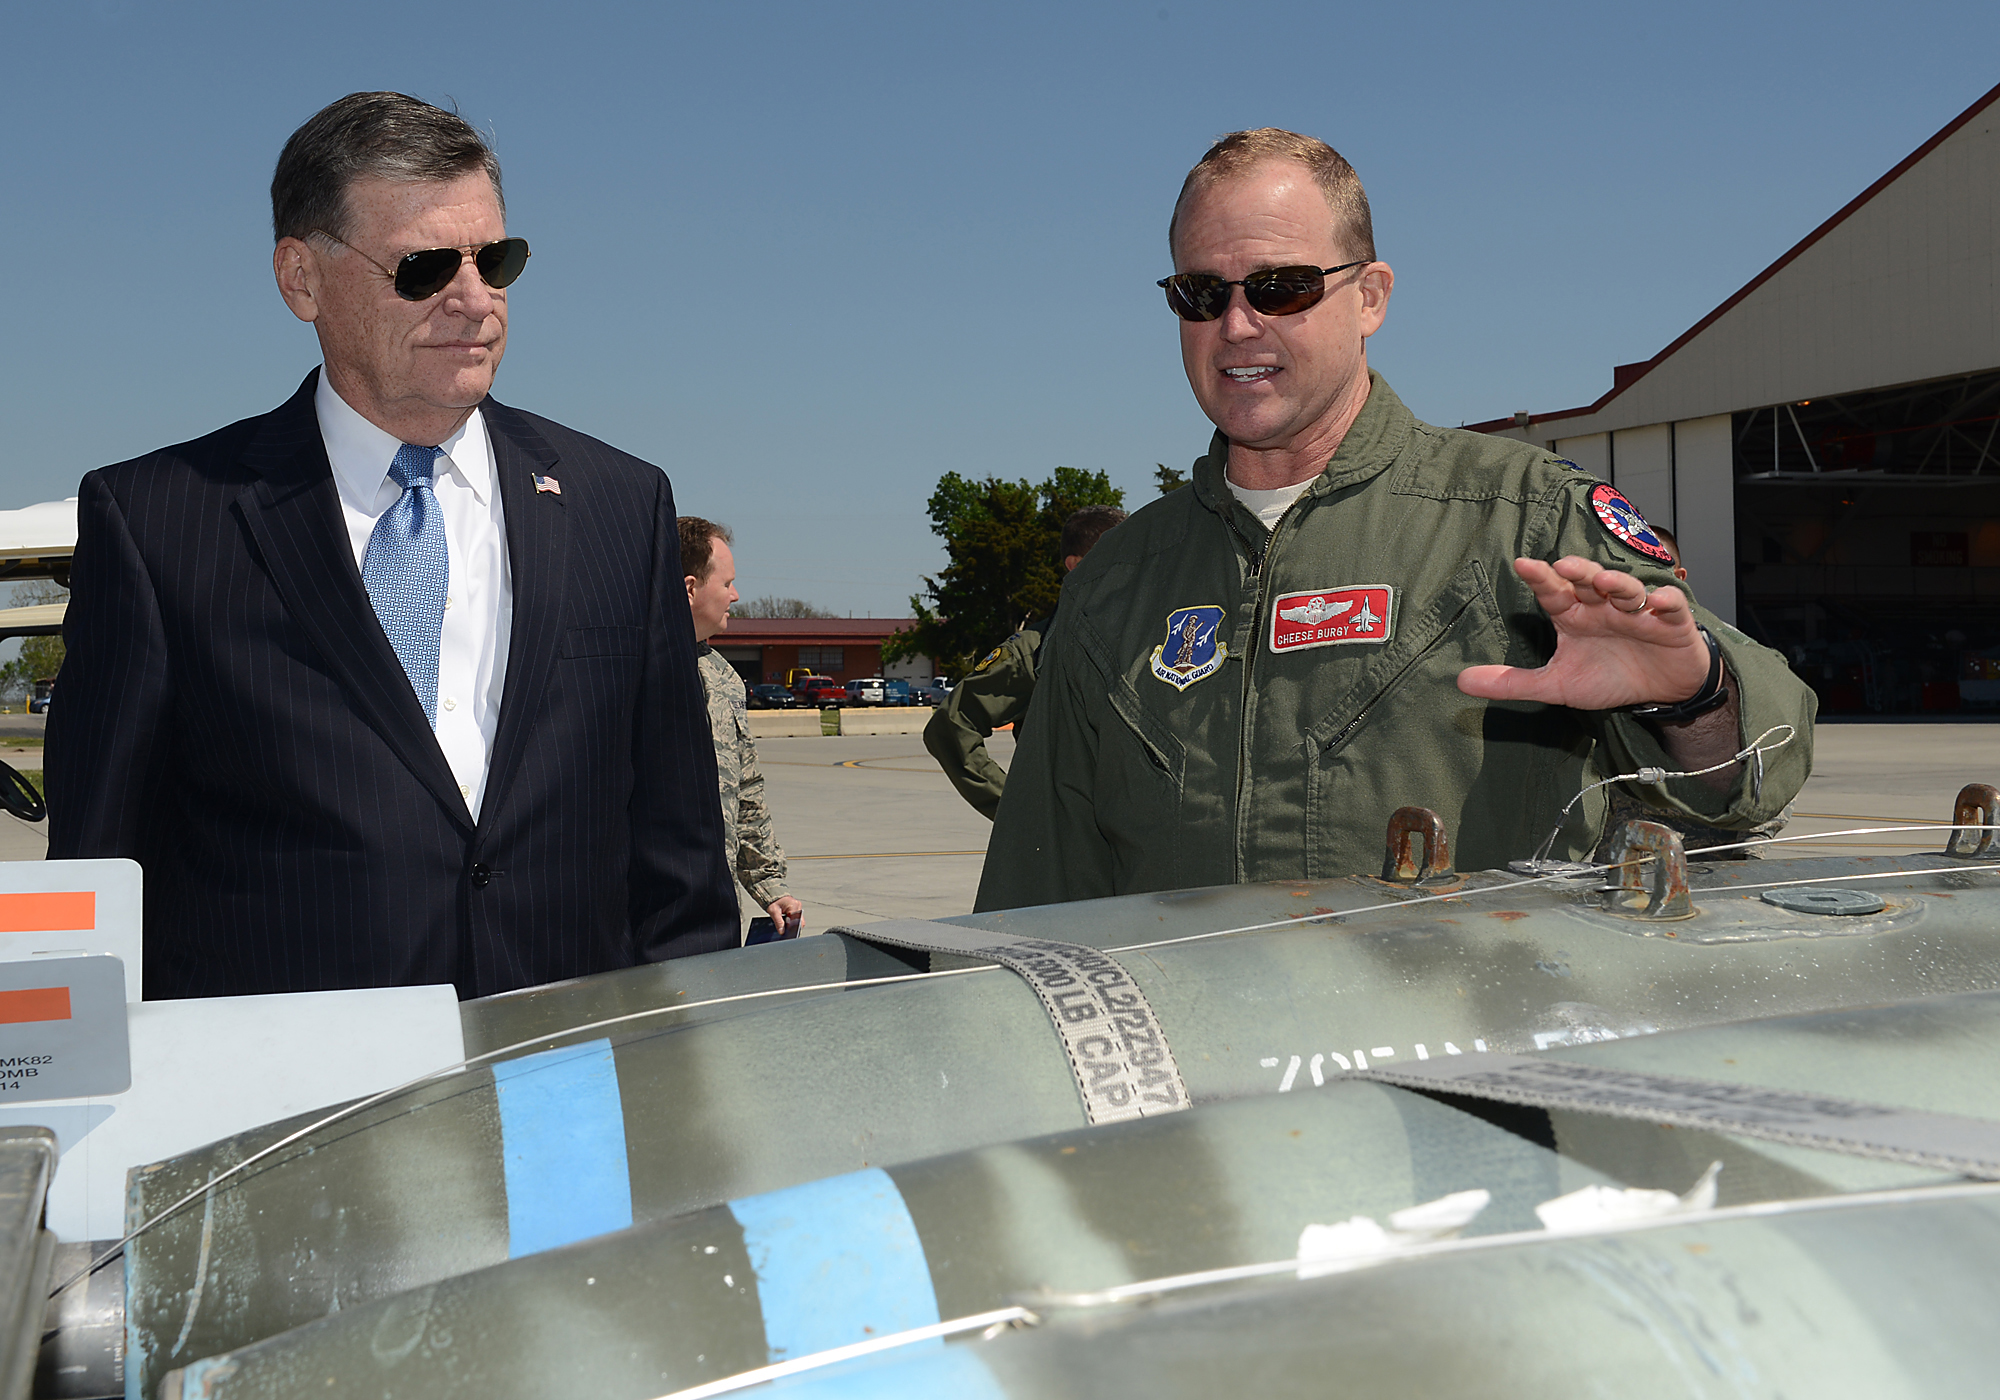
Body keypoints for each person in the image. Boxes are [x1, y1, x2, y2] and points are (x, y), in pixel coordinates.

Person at [976, 129, 1816, 909]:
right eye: (1200, 293)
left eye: (1282, 286)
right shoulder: (1118, 584)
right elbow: (1039, 892)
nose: (1236, 324)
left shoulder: (1523, 520)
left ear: (1370, 297)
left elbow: (1755, 778)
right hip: (1196, 1057)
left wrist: (1693, 701)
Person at [46, 92, 737, 998]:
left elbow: (678, 857)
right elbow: (102, 865)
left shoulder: (619, 502)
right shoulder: (159, 520)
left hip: (564, 1080)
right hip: (292, 1111)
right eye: (423, 268)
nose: (475, 298)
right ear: (302, 280)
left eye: (495, 260)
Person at [925, 505, 1126, 818]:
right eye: (1118, 556)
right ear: (1076, 566)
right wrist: (1018, 813)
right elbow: (951, 725)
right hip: (1076, 848)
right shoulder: (1036, 652)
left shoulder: (1151, 645)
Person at [680, 516, 804, 938]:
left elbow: (745, 789)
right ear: (691, 587)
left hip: (715, 907)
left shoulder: (724, 678)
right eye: (727, 582)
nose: (736, 595)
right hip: (640, 916)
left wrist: (769, 887)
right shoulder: (627, 672)